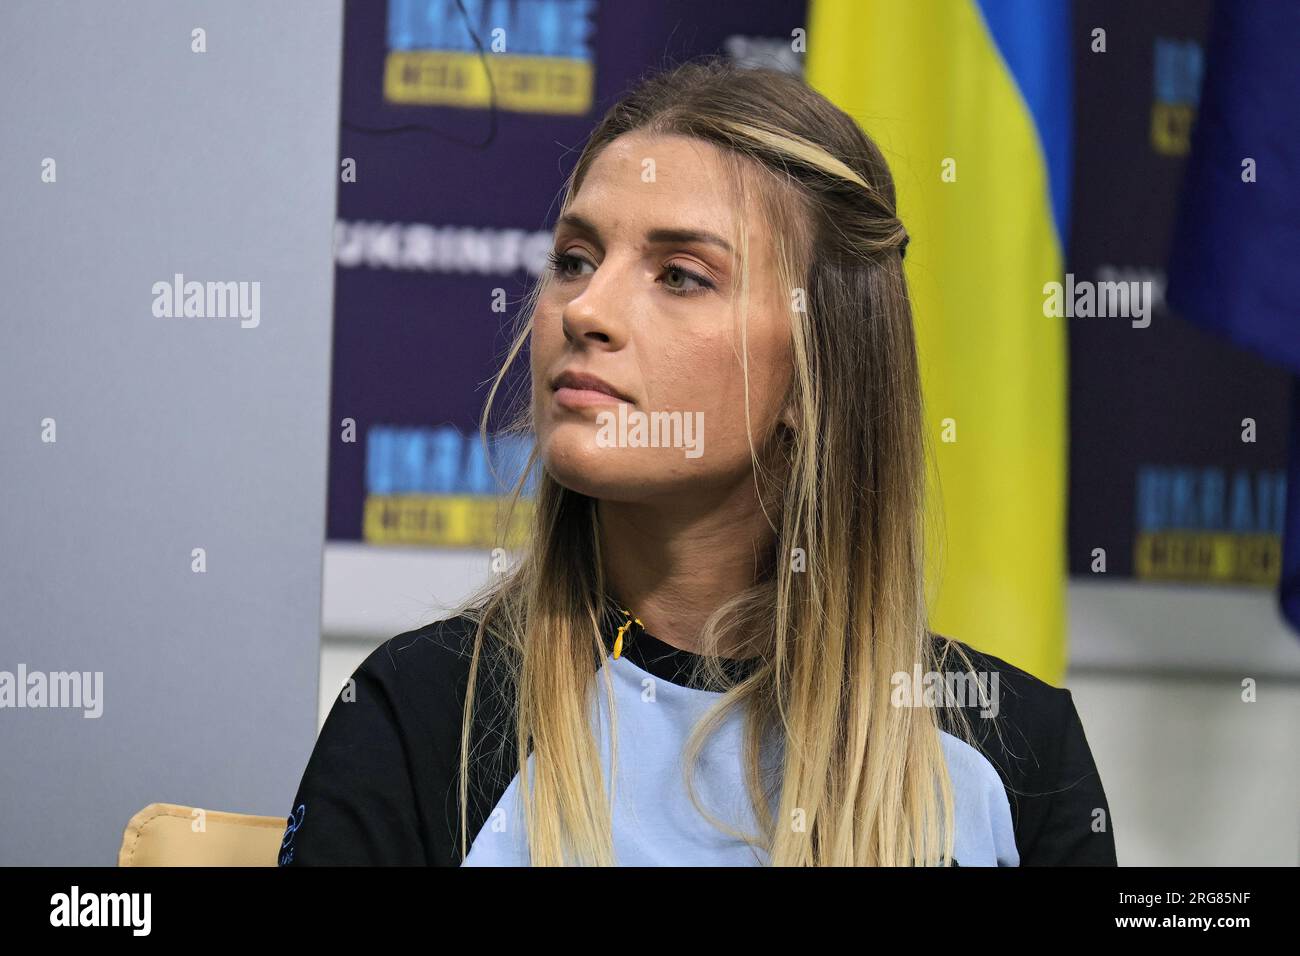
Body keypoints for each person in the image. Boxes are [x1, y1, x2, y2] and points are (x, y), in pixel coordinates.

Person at [278, 56, 1116, 867]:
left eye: (680, 276)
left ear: (818, 367)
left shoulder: (1019, 755)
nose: (587, 310)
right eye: (574, 260)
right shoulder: (424, 715)